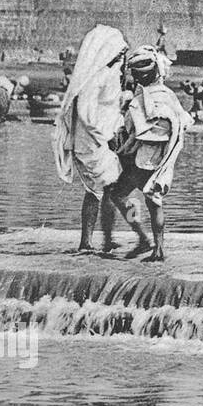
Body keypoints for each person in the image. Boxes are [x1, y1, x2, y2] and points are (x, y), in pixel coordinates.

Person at [53, 24, 140, 253]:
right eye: (122, 54)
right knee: (115, 189)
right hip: (95, 143)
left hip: (96, 143)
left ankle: (90, 241)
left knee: (96, 191)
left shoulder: (106, 75)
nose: (124, 59)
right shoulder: (99, 77)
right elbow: (85, 111)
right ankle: (141, 236)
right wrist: (106, 134)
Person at [108, 46, 191, 261]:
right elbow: (183, 121)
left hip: (140, 160)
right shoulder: (168, 95)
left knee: (117, 194)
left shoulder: (137, 101)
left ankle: (143, 236)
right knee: (154, 202)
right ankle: (158, 248)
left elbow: (129, 132)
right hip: (161, 158)